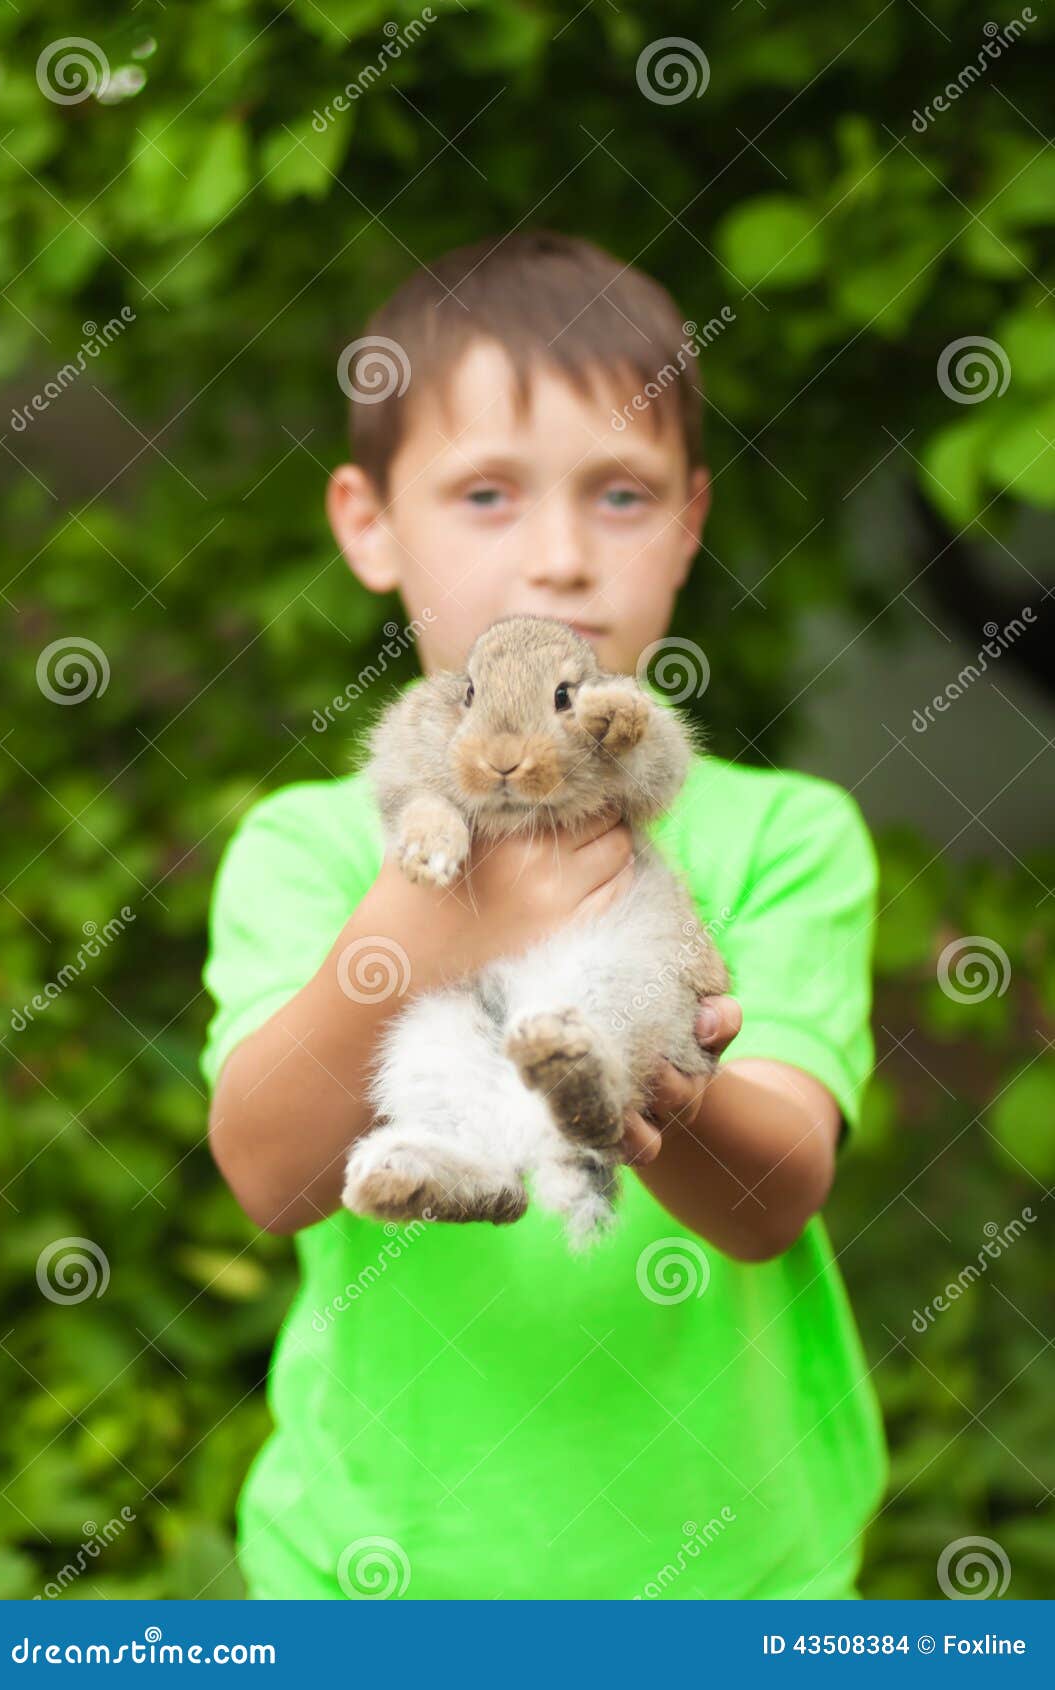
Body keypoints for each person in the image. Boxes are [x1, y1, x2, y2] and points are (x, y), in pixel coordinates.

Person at [200, 230, 886, 1600]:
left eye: (621, 496)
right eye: (489, 493)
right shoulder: (310, 847)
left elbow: (770, 1202)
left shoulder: (785, 835)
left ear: (691, 524)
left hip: (730, 1579)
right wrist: (424, 935)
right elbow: (272, 1176)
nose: (561, 556)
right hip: (379, 1574)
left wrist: (655, 1080)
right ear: (368, 525)